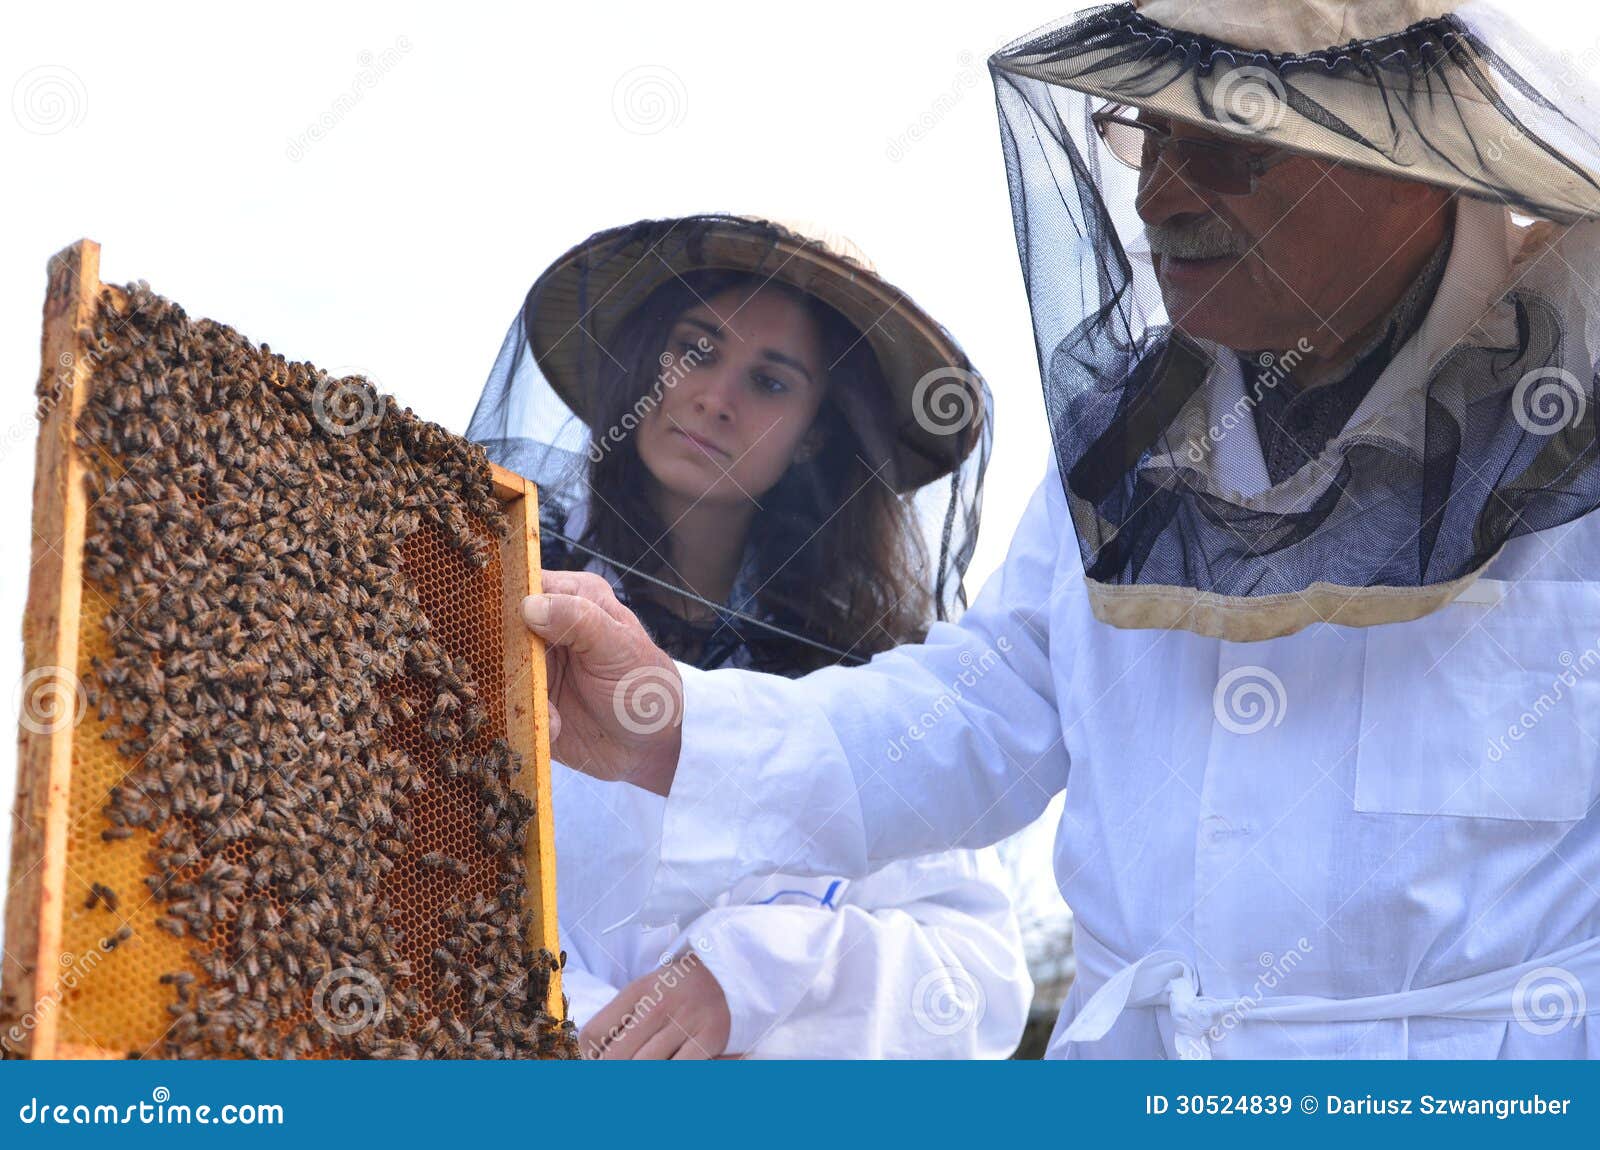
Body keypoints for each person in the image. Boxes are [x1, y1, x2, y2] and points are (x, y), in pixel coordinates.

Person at [521, 0, 1600, 1059]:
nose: (1160, 193)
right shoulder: (1136, 443)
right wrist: (670, 725)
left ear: (1404, 152)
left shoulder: (1574, 417)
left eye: (1228, 141)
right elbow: (974, 711)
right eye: (1150, 131)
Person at [468, 214, 1032, 1058]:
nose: (715, 398)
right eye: (697, 349)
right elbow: (422, 866)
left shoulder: (868, 692)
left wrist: (756, 976)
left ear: (814, 434)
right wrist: (574, 1021)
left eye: (770, 382)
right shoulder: (503, 599)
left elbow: (975, 978)